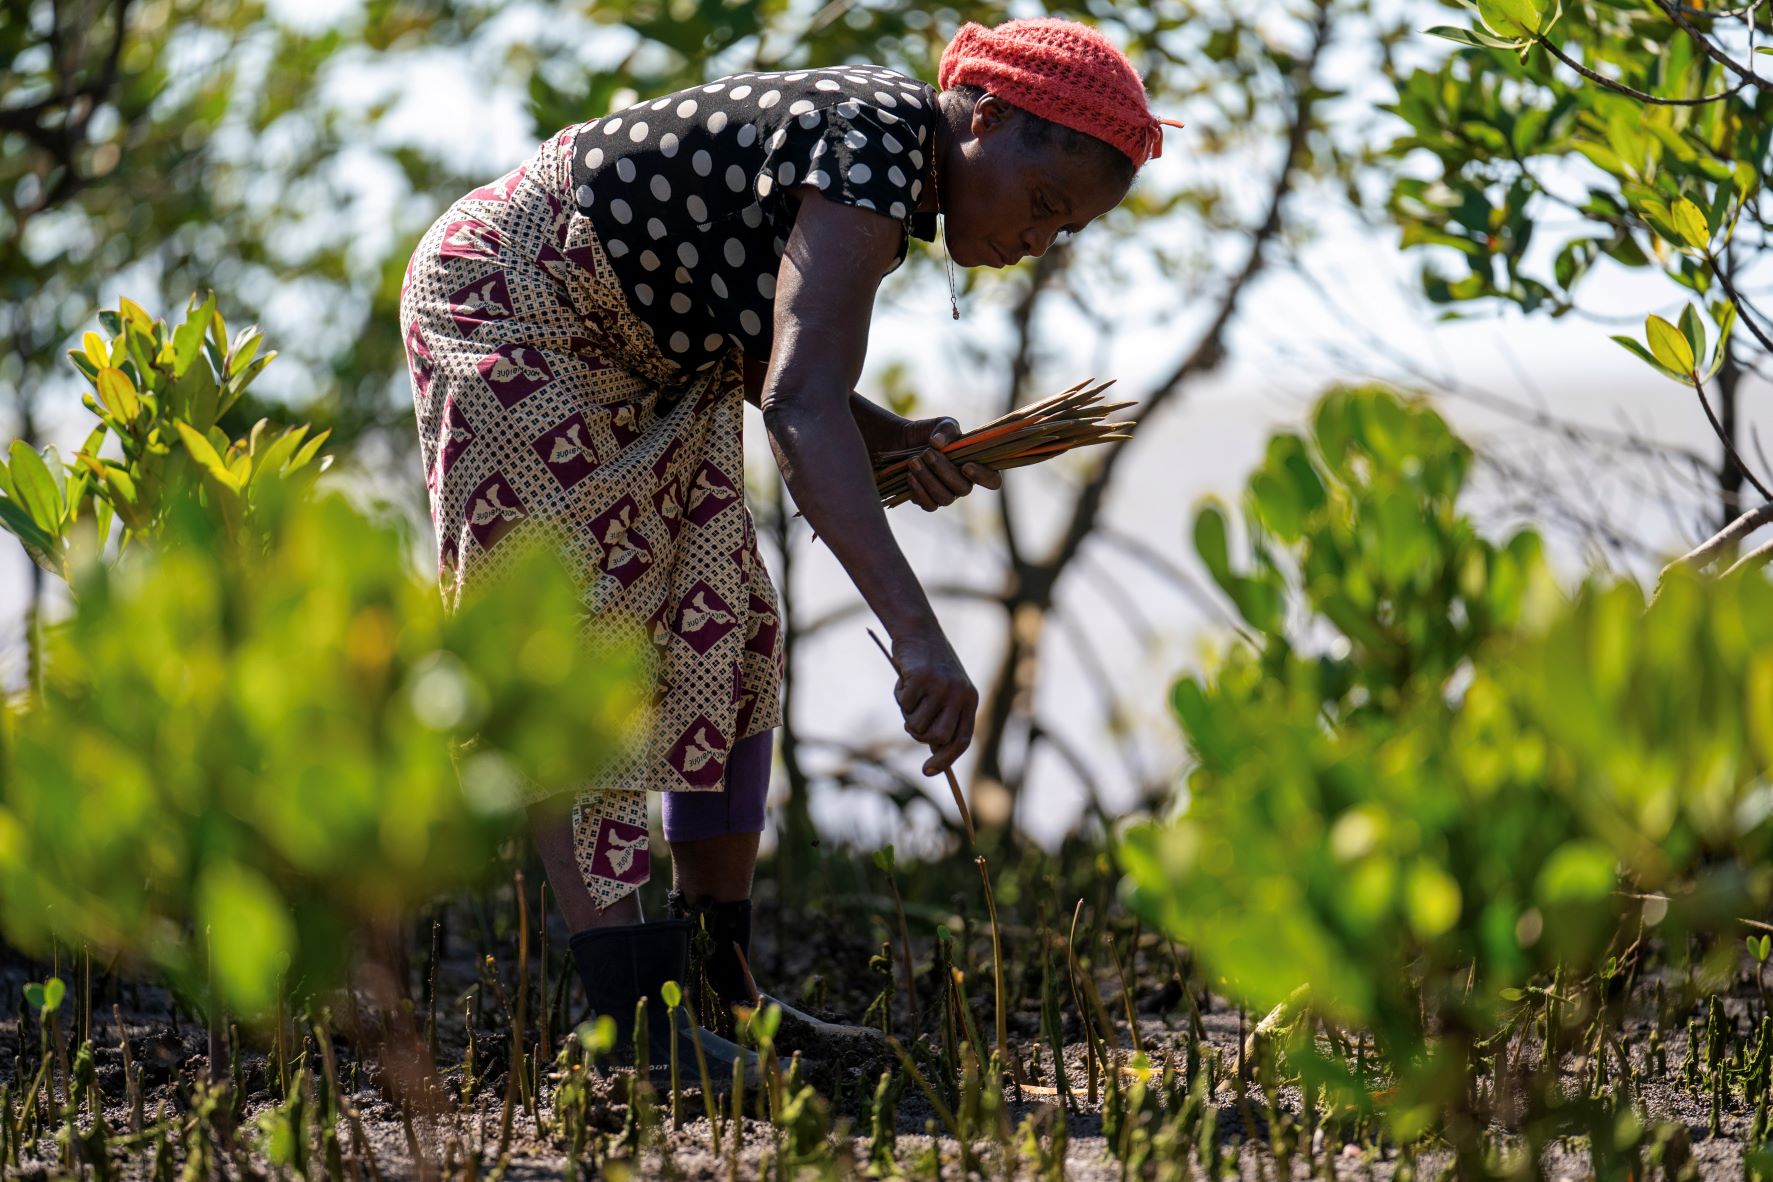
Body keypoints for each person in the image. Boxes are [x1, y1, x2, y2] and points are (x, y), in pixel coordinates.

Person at [399, 16, 1178, 1072]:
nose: (1040, 241)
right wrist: (916, 634)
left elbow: (785, 362)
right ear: (987, 118)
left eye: (1065, 231)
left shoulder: (888, 165)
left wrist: (897, 441)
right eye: (1044, 205)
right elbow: (799, 405)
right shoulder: (872, 148)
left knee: (733, 635)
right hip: (517, 311)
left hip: (652, 355)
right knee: (575, 659)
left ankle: (716, 995)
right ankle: (633, 1029)